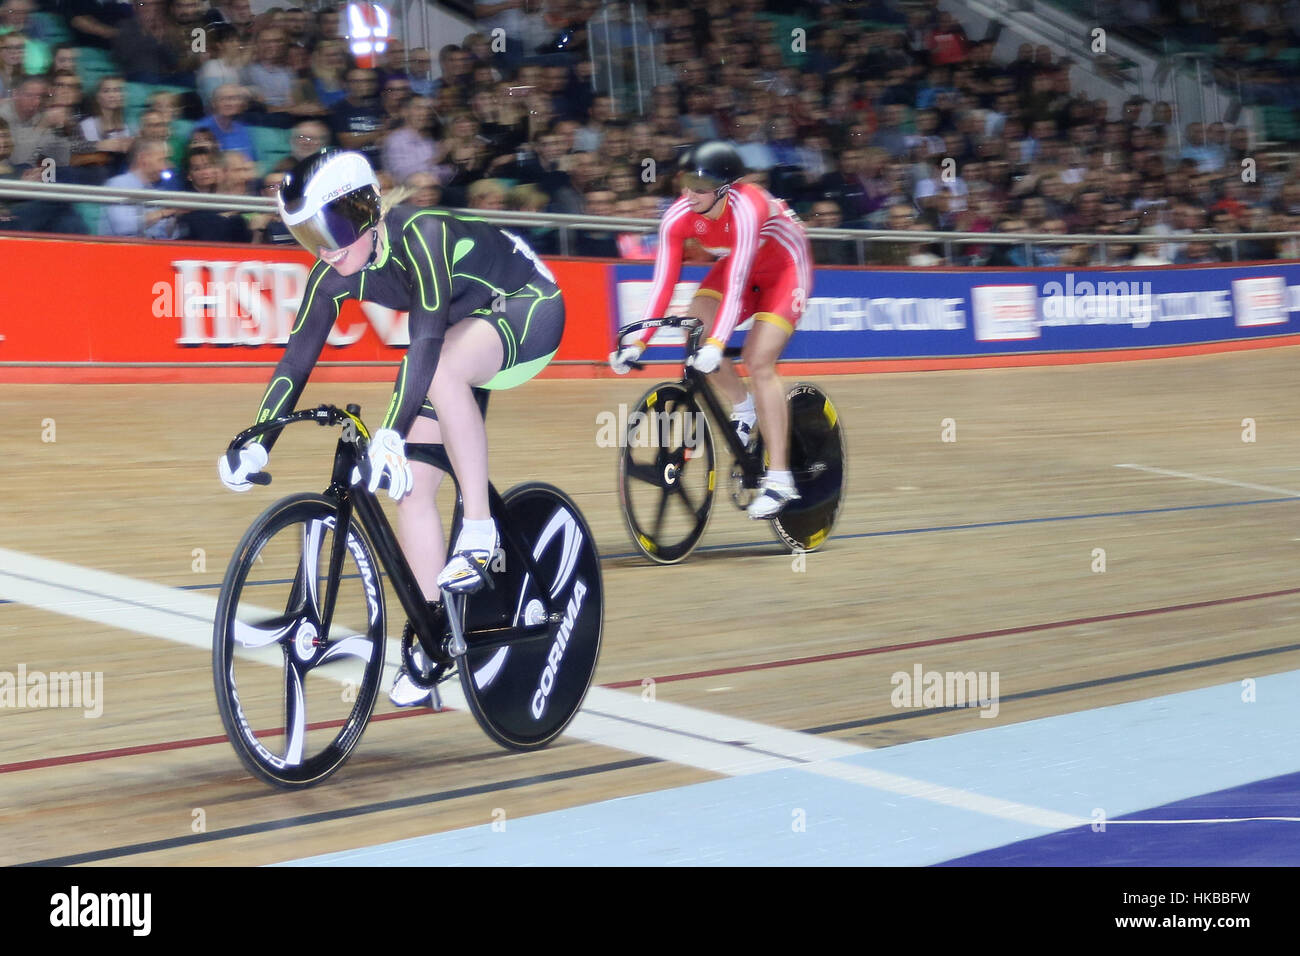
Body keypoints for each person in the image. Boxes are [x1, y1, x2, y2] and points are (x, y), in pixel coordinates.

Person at [217, 148, 566, 707]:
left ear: (364, 211)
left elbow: (424, 344)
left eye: (328, 229)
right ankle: (438, 639)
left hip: (529, 305)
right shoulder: (332, 273)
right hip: (464, 326)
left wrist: (388, 433)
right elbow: (296, 360)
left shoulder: (420, 234)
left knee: (443, 370)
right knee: (413, 490)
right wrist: (258, 439)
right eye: (307, 236)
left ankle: (479, 527)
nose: (323, 249)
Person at [609, 140, 813, 519]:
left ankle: (781, 480)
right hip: (743, 266)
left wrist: (718, 343)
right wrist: (639, 342)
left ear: (727, 189)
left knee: (757, 360)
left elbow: (736, 285)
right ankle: (743, 405)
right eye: (685, 184)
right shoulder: (678, 215)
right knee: (695, 330)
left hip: (785, 269)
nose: (689, 194)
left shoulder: (747, 207)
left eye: (699, 188)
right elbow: (663, 282)